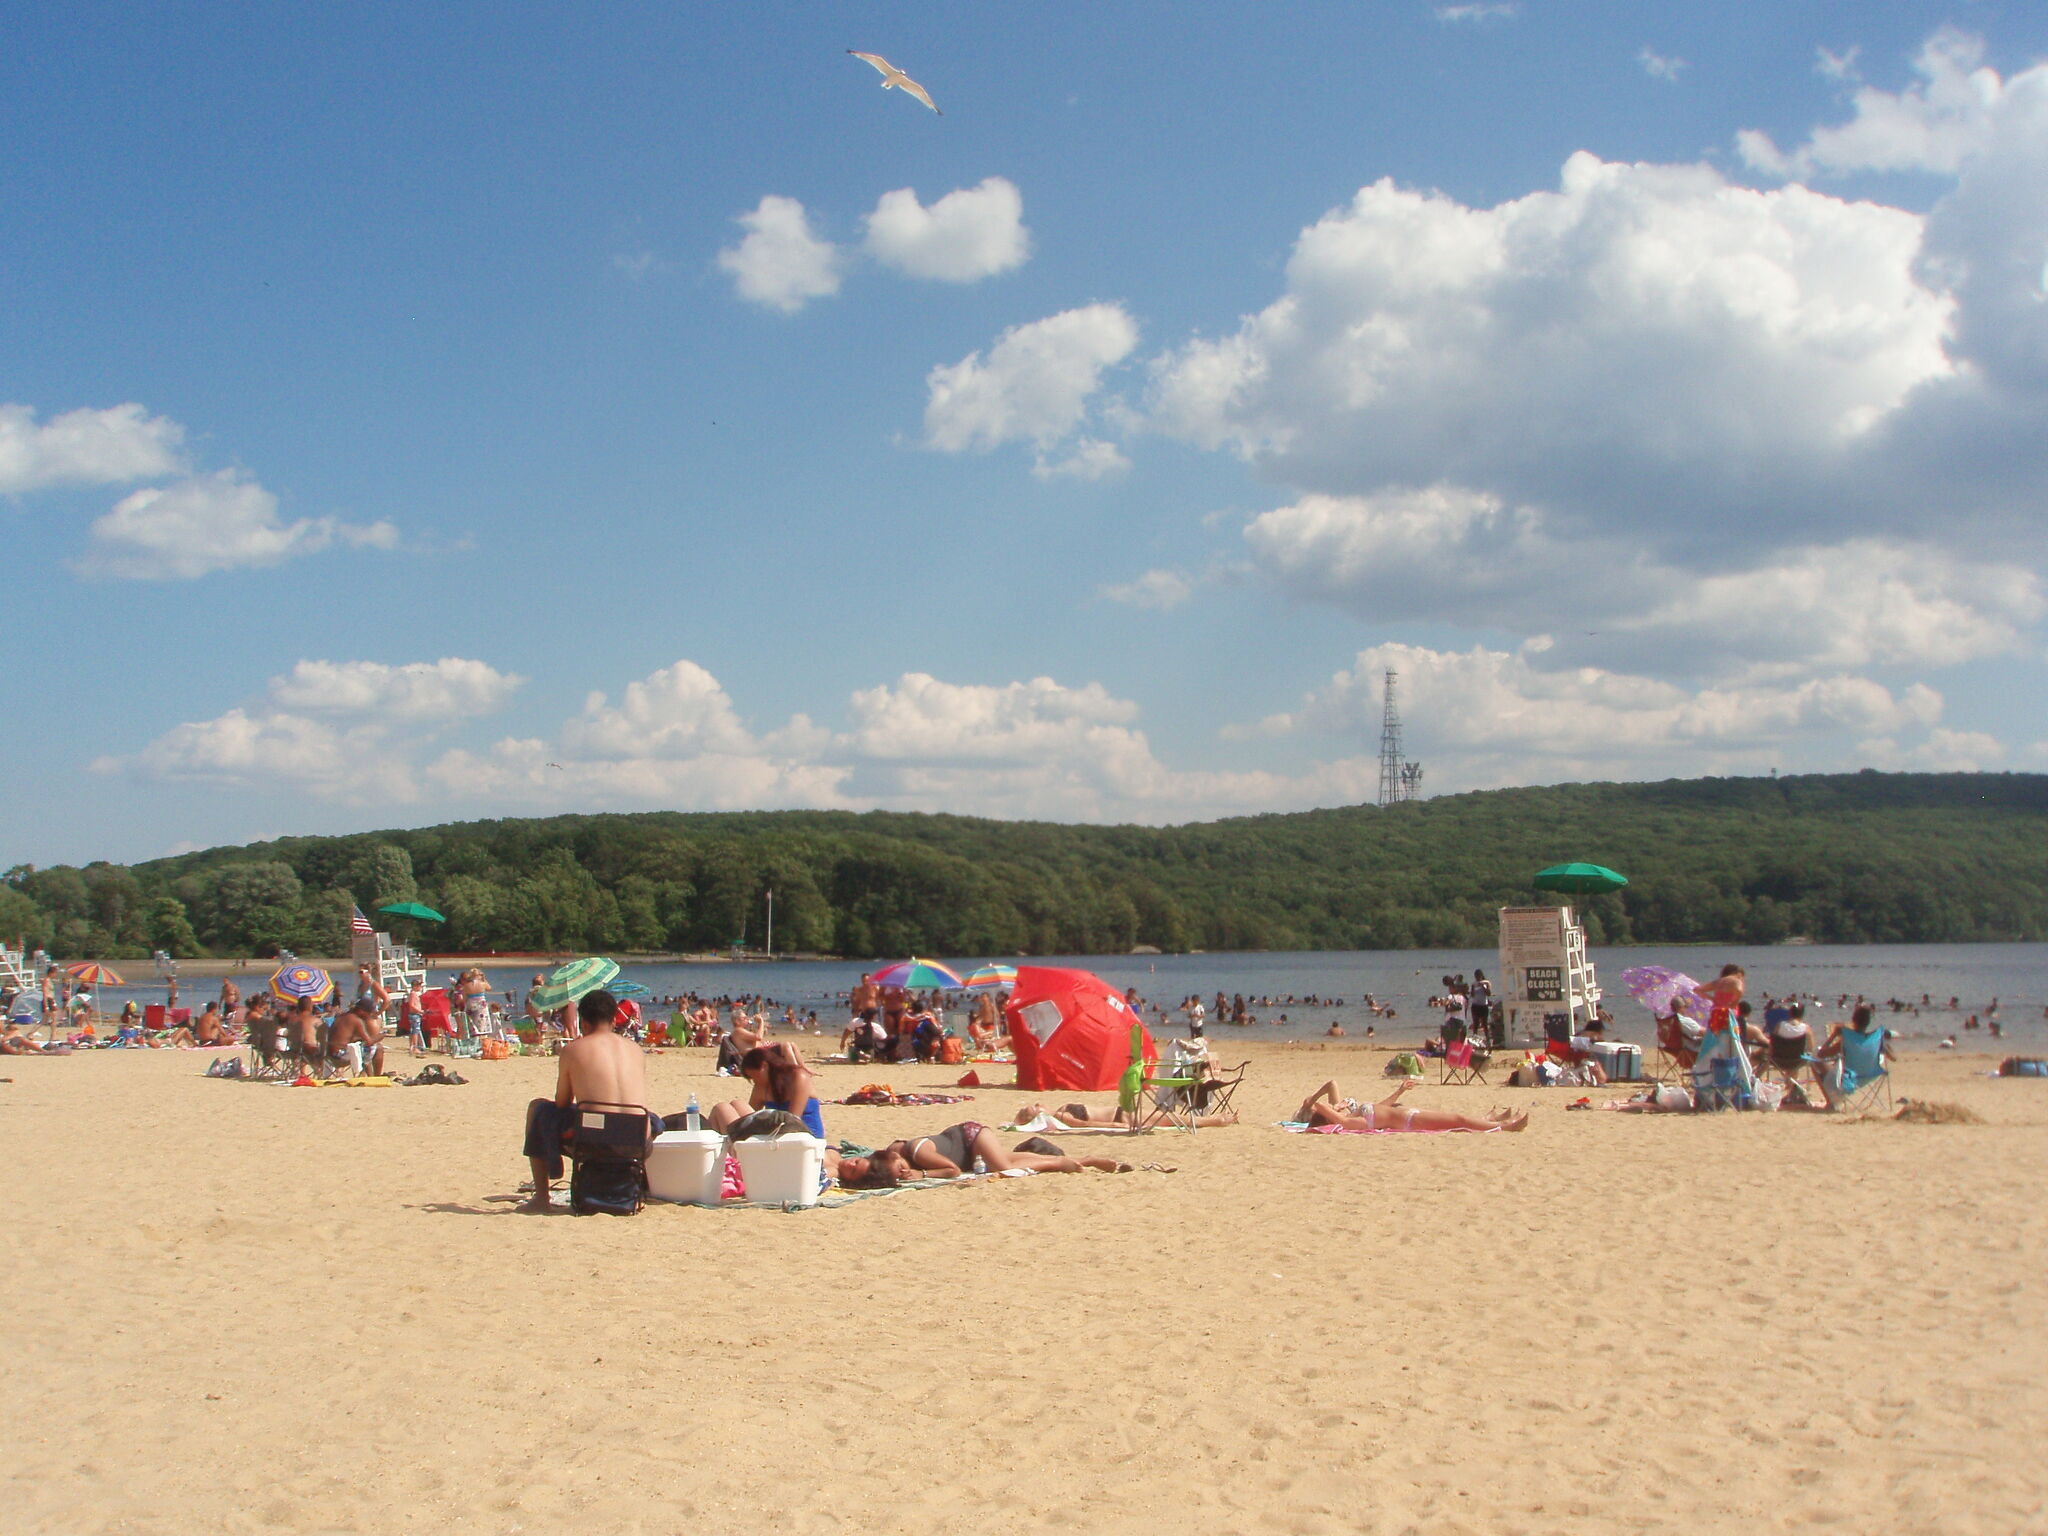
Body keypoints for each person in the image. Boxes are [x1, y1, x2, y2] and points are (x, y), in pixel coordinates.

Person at [521, 990, 655, 1211]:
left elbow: (562, 1102)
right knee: (653, 1120)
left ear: (582, 1021)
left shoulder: (573, 1050)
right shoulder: (636, 1050)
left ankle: (542, 1198)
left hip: (595, 1140)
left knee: (538, 1109)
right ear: (614, 1019)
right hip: (638, 1139)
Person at [834, 1122, 1130, 1183]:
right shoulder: (902, 1156)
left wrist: (921, 1174)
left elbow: (950, 1170)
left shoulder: (919, 1152)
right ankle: (1087, 1160)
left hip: (973, 1135)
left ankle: (1058, 1164)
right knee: (1016, 1161)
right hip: (969, 1149)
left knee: (1004, 1168)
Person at [1295, 1080, 1527, 1132]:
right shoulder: (1354, 1122)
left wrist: (1400, 1090)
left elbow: (1381, 1106)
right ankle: (1504, 1127)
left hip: (1409, 1112)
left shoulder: (1358, 1112)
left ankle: (1491, 1120)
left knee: (1456, 1118)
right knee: (1457, 1120)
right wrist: (1334, 1111)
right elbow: (1318, 1106)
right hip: (1410, 1120)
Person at [707, 1040, 824, 1139]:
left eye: (754, 1076)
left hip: (803, 1136)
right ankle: (722, 1154)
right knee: (733, 1105)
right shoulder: (762, 1086)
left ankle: (729, 1155)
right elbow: (751, 1117)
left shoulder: (798, 1076)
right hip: (775, 1133)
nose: (754, 1081)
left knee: (722, 1110)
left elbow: (793, 1121)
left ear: (764, 1066)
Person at [1017, 1100, 1238, 1131]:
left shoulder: (1060, 1111)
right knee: (1171, 1119)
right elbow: (1086, 1125)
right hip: (1122, 1117)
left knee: (1168, 1118)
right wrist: (1117, 1126)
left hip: (1122, 1112)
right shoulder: (1061, 1116)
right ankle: (1217, 1120)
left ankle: (1218, 1119)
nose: (1037, 1104)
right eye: (1034, 1109)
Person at [326, 999, 387, 1075]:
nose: (370, 1016)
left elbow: (345, 1038)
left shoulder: (342, 1016)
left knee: (362, 1048)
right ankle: (377, 1077)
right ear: (361, 1011)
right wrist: (382, 1035)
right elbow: (369, 1042)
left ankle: (370, 1075)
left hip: (329, 1055)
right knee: (378, 1048)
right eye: (369, 1013)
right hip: (340, 1056)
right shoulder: (356, 1020)